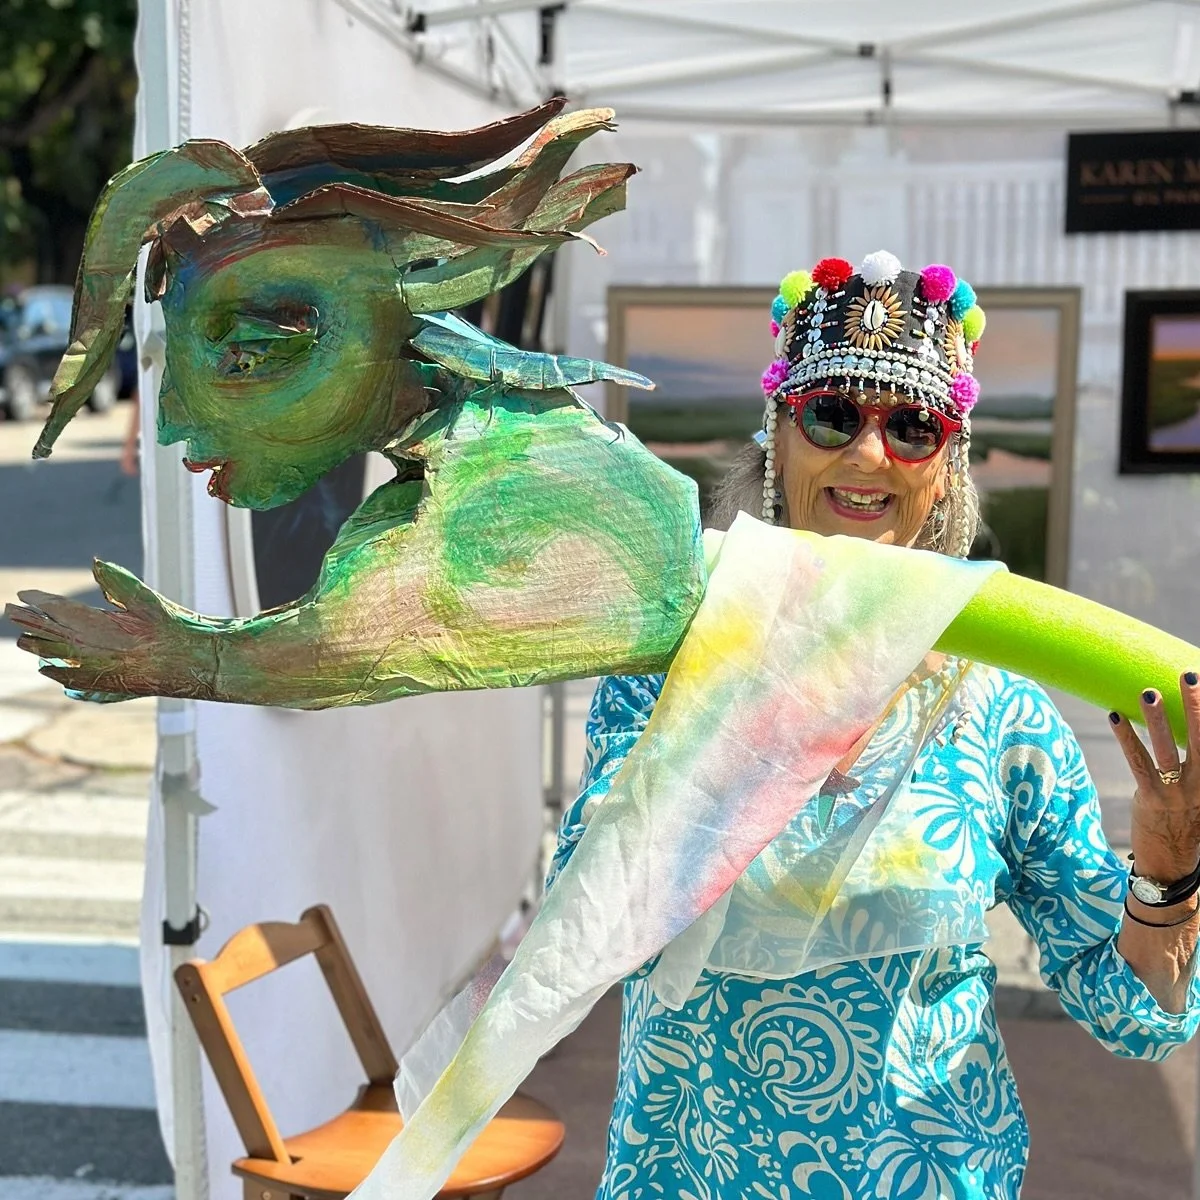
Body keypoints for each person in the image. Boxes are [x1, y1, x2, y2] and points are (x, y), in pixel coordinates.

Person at [549, 252, 1200, 1200]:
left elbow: (1131, 1014)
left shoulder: (999, 711)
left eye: (912, 428)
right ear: (779, 437)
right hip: (689, 1173)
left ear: (948, 472)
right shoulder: (667, 675)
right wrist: (735, 698)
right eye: (831, 415)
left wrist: (1172, 870)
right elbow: (592, 922)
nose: (866, 454)